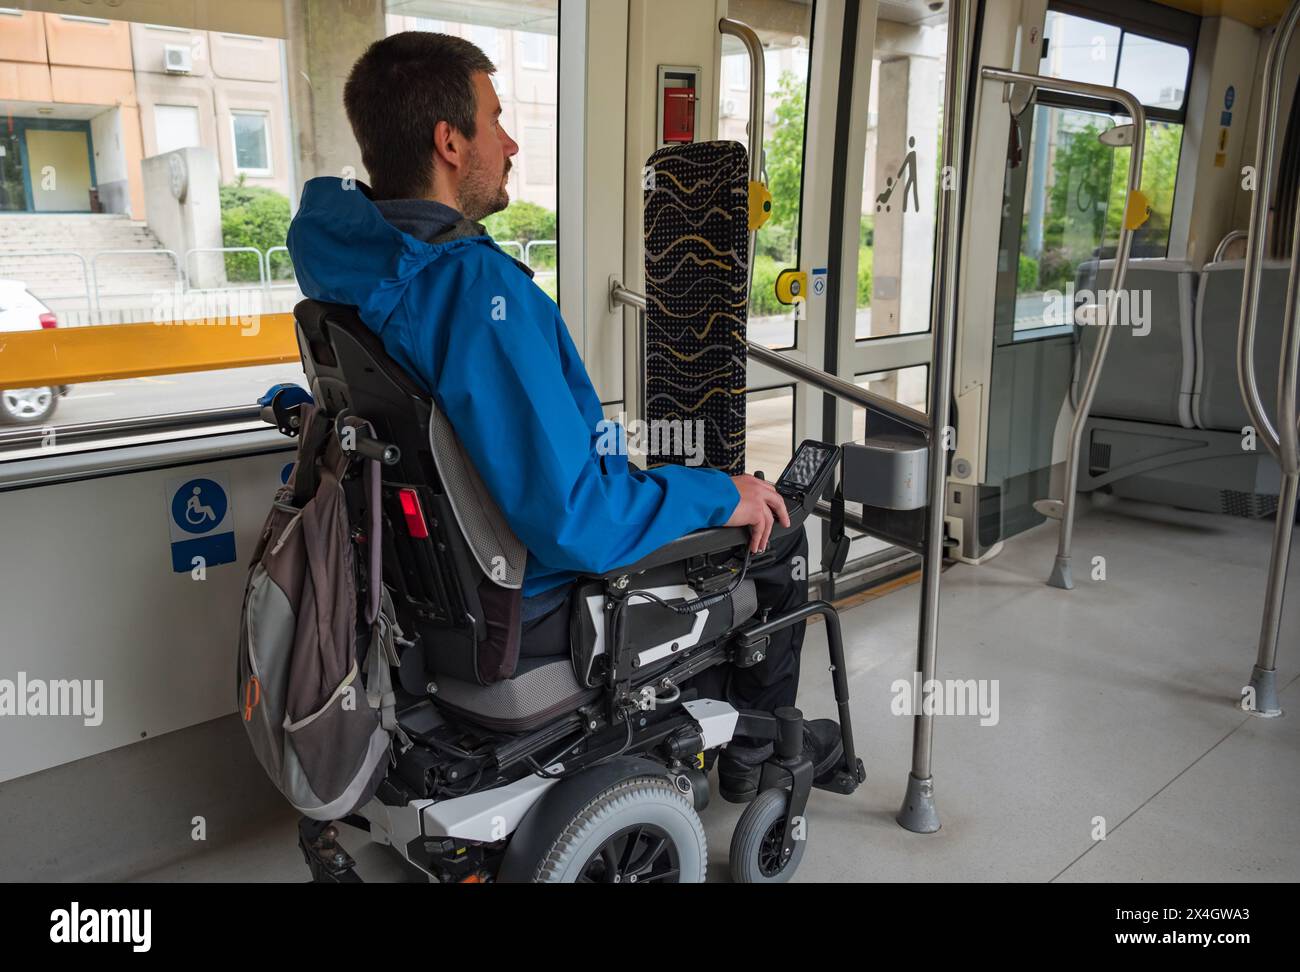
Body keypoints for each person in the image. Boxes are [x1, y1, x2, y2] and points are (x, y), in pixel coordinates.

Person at [286, 31, 841, 802]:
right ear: (450, 142)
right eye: (495, 119)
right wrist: (722, 492)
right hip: (536, 598)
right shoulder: (473, 294)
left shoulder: (351, 271)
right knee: (775, 530)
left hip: (430, 593)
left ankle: (731, 728)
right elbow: (577, 518)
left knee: (675, 479)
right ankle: (763, 746)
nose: (509, 143)